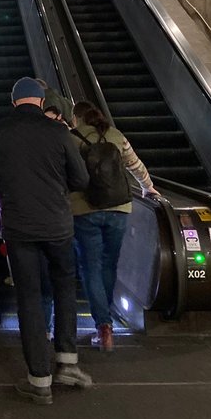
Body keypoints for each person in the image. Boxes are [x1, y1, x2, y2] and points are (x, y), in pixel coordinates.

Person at [0, 77, 92, 404]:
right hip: (58, 226)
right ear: (42, 102)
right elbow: (81, 179)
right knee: (65, 287)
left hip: (18, 227)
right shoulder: (59, 132)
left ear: (14, 102)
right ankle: (68, 363)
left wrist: (11, 191)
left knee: (29, 296)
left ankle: (39, 379)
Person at [70, 101, 158, 352]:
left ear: (77, 118)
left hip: (85, 210)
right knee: (109, 265)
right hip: (119, 208)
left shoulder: (73, 138)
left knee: (91, 266)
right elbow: (135, 165)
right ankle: (105, 320)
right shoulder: (116, 136)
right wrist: (147, 186)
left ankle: (103, 325)